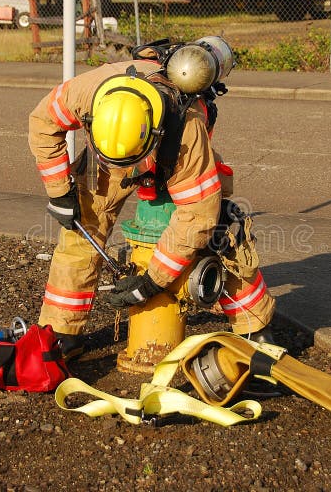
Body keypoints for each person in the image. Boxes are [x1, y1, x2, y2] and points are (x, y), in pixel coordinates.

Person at [28, 37, 276, 361]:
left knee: (221, 233)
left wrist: (151, 281)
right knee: (80, 234)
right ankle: (61, 333)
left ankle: (255, 331)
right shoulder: (86, 93)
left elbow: (197, 217)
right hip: (104, 158)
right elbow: (43, 122)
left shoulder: (187, 131)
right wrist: (60, 191)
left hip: (170, 157)